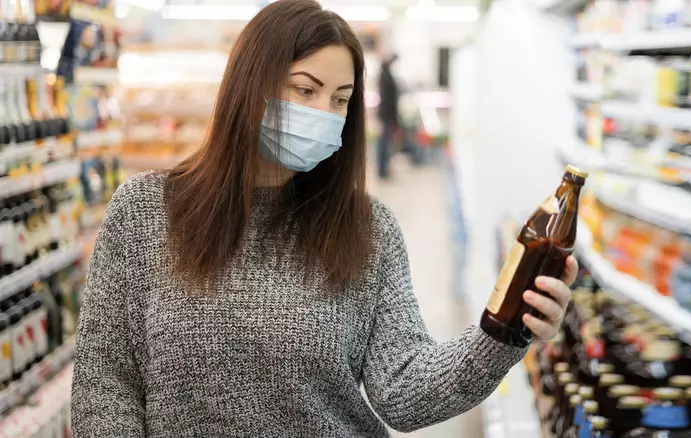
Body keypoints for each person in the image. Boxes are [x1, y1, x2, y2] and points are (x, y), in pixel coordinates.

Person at [70, 1, 576, 437]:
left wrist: (505, 329)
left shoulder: (368, 228)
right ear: (250, 85)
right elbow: (105, 380)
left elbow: (403, 392)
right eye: (304, 90)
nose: (325, 113)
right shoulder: (145, 211)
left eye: (340, 99)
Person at [377, 52, 420, 179]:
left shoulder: (387, 74)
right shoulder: (385, 75)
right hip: (387, 116)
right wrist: (392, 117)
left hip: (388, 115)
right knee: (384, 144)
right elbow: (387, 99)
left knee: (386, 144)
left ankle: (384, 169)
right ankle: (382, 170)